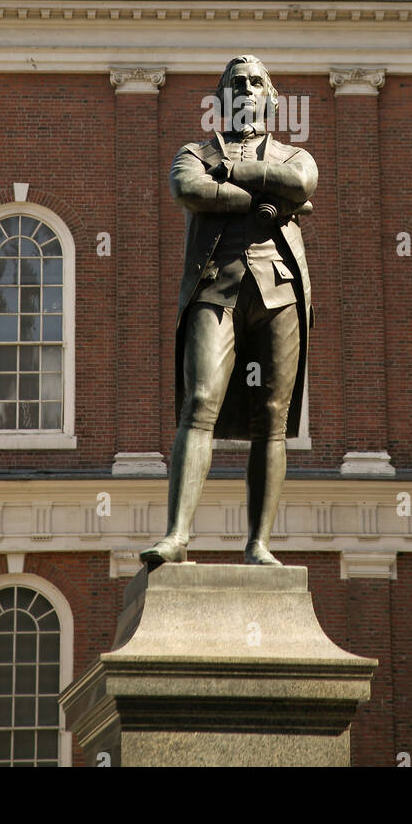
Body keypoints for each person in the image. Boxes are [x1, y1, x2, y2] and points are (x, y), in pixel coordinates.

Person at [140, 55, 317, 566]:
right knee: (198, 401)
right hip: (215, 290)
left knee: (272, 418)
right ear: (221, 98)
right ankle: (177, 536)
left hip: (279, 293)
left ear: (271, 97)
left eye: (255, 80)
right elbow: (188, 188)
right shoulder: (194, 152)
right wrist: (259, 199)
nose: (245, 87)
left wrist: (236, 174)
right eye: (235, 82)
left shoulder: (293, 154)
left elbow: (302, 185)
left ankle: (258, 543)